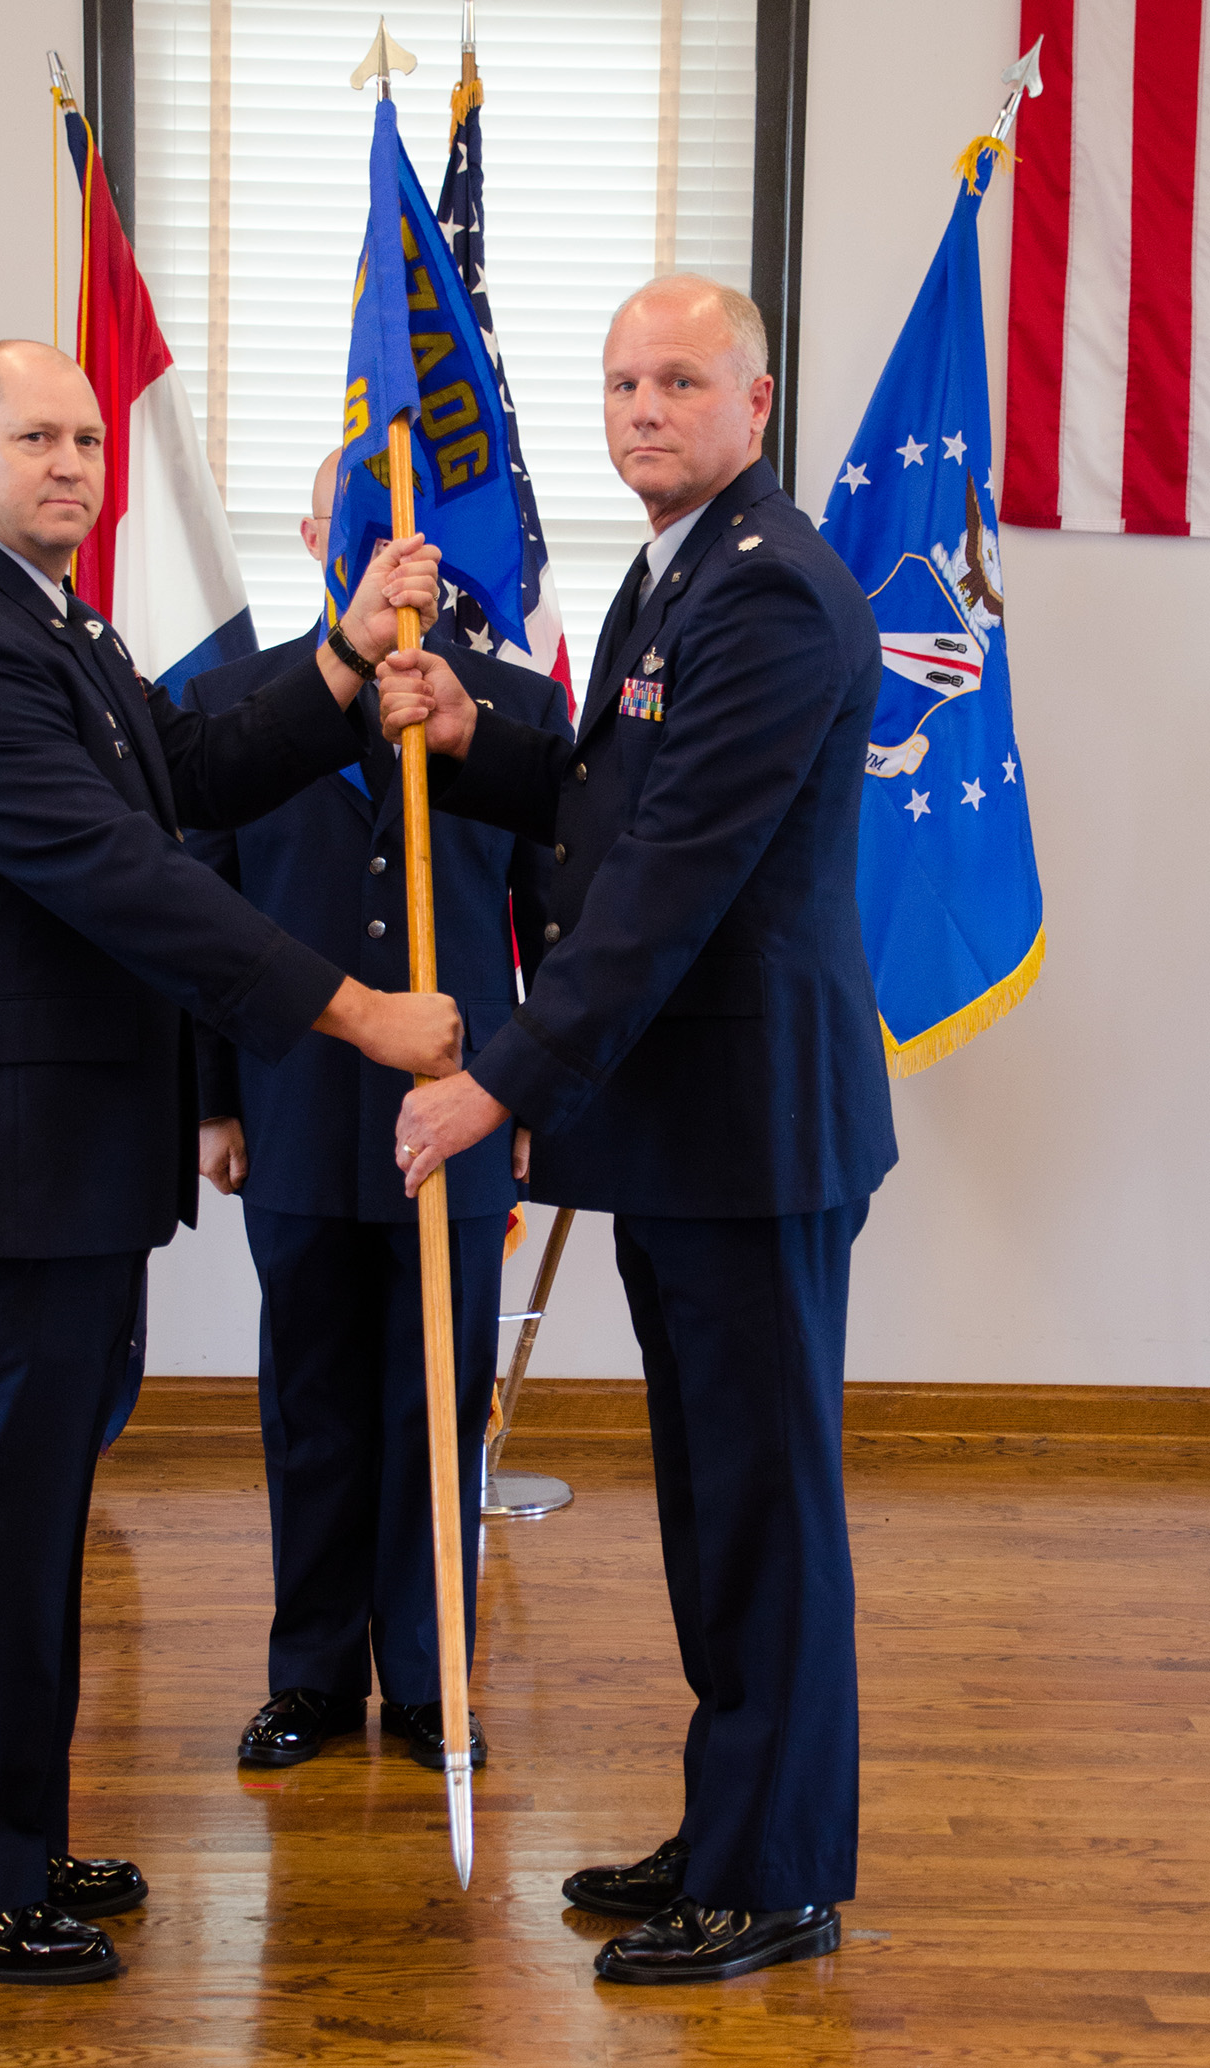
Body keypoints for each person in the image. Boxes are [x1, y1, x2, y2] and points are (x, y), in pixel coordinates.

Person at [0, 341, 460, 1987]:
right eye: (33, 435)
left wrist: (335, 665)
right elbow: (129, 877)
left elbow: (180, 776)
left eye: (88, 435)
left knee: (37, 1512)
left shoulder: (60, 626)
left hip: (54, 1155)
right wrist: (355, 1014)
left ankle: (9, 1835)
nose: (71, 459)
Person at [378, 276, 897, 1986]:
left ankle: (775, 1875)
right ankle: (727, 1819)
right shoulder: (677, 571)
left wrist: (501, 1080)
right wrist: (479, 737)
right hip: (696, 1124)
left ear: (758, 404)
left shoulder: (772, 593)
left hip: (753, 1124)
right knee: (713, 1497)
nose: (642, 410)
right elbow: (616, 794)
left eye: (680, 381)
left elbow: (668, 887)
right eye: (619, 384)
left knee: (760, 1505)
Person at [180, 452, 569, 1775]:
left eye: (404, 526)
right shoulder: (233, 708)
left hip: (456, 1114)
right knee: (312, 1402)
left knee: (435, 1403)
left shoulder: (508, 706)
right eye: (351, 522)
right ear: (309, 535)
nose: (381, 546)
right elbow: (202, 920)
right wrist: (213, 1103)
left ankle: (424, 1674)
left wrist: (522, 1087)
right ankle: (309, 1676)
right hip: (293, 1108)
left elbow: (547, 926)